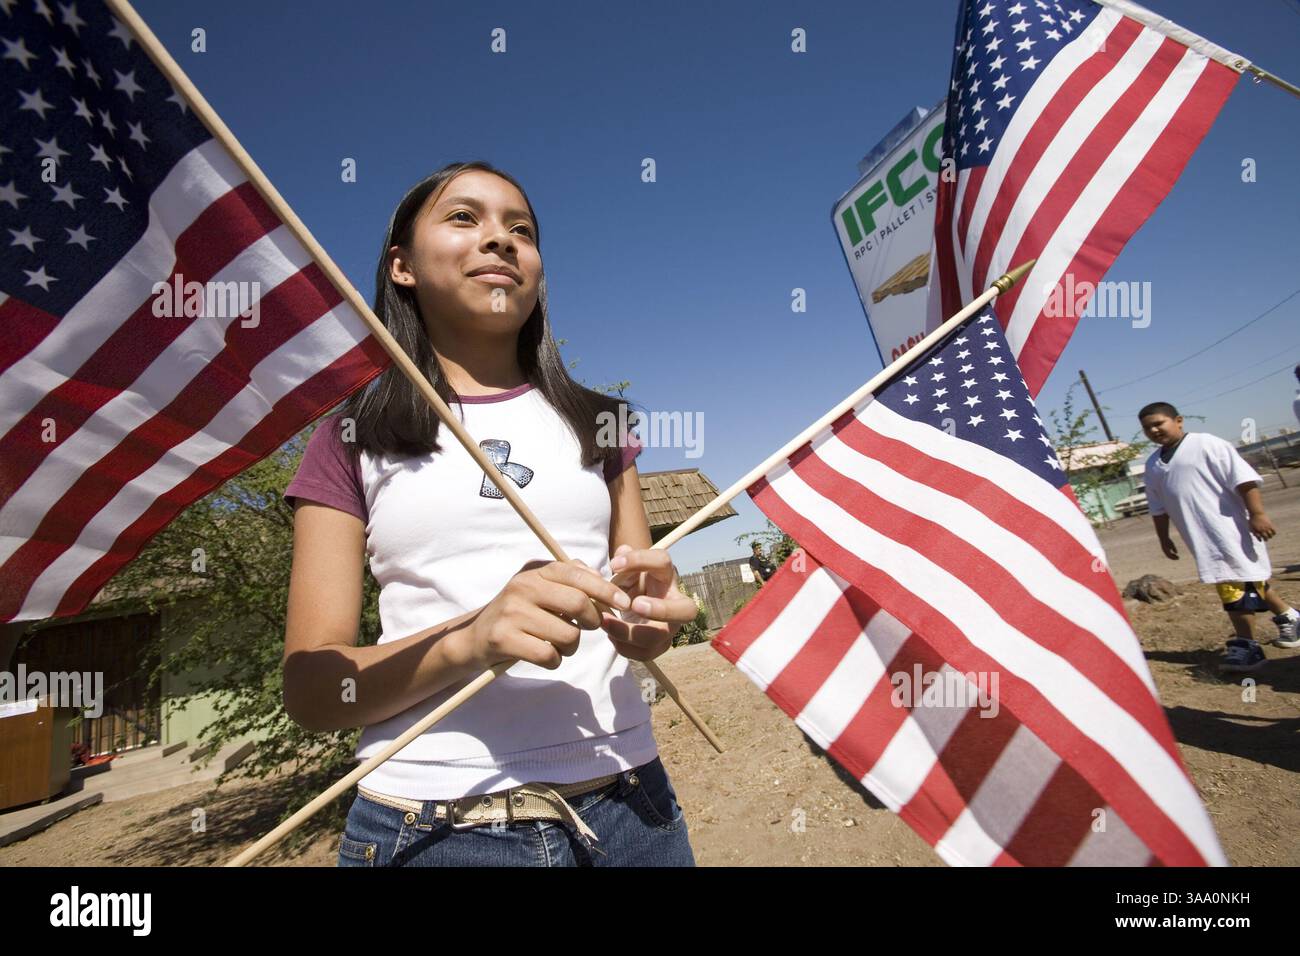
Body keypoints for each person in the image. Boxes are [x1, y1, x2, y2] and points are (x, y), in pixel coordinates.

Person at [282, 162, 701, 866]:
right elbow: (314, 690)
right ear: (402, 267)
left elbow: (639, 625)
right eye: (464, 218)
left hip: (634, 809)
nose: (500, 241)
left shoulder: (605, 425)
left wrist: (646, 626)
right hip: (434, 828)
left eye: (521, 230)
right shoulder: (349, 438)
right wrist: (470, 642)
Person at [1138, 401, 1300, 673]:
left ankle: (1248, 647)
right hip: (1202, 539)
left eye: (1159, 423)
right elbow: (1158, 507)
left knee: (1234, 586)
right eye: (1147, 428)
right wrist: (1164, 538)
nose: (1154, 430)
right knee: (1249, 578)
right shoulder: (1153, 464)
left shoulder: (1206, 445)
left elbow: (1244, 480)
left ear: (1178, 420)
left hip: (1231, 530)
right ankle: (1289, 617)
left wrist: (1257, 514)